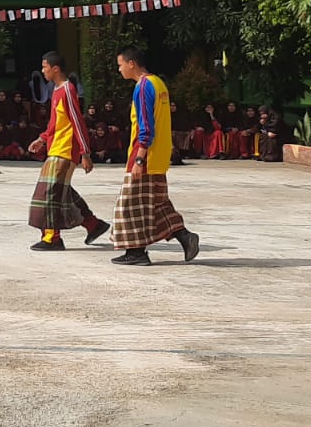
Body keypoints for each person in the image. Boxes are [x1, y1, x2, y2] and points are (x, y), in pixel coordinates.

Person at [111, 48, 200, 266]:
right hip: (159, 155)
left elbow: (146, 126)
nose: (119, 69)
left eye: (120, 64)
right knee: (156, 204)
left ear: (132, 63)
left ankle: (136, 253)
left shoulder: (142, 87)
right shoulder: (158, 83)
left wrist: (140, 158)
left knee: (129, 205)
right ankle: (185, 236)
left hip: (146, 154)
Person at [25, 51, 109, 251]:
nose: (43, 70)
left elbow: (77, 121)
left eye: (45, 66)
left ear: (55, 68)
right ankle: (93, 224)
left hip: (65, 150)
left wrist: (85, 153)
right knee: (63, 191)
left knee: (49, 192)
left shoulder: (67, 90)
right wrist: (42, 139)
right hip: (56, 147)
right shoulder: (55, 91)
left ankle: (52, 238)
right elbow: (55, 124)